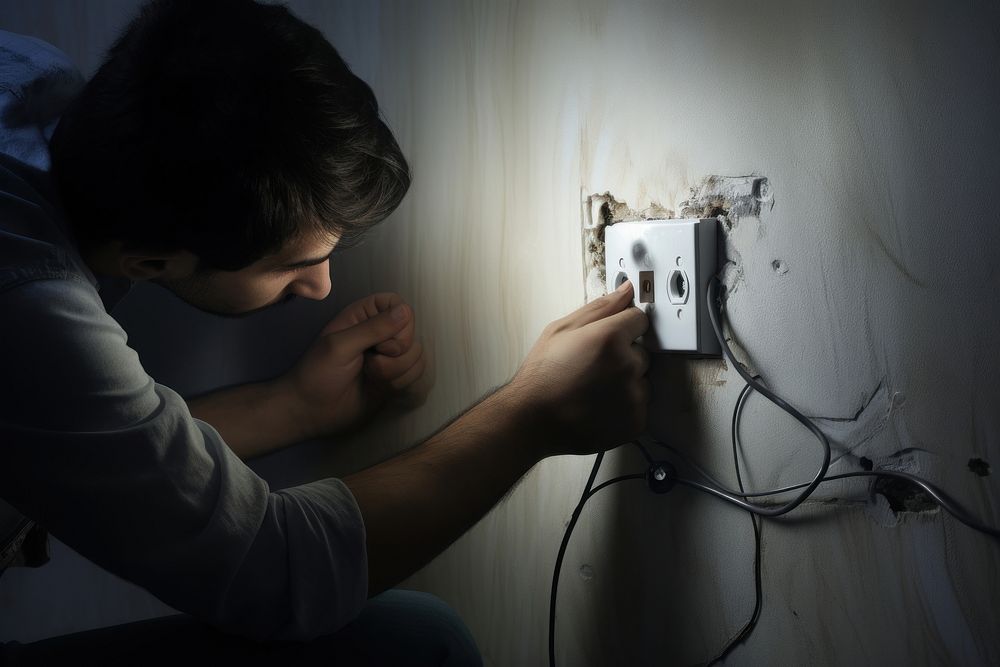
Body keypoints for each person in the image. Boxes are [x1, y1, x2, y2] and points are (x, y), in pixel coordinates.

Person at [0, 0, 650, 664]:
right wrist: (530, 416)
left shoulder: (28, 79)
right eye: (292, 266)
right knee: (417, 647)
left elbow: (79, 440)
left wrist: (296, 405)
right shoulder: (29, 301)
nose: (320, 287)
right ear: (148, 261)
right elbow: (274, 573)